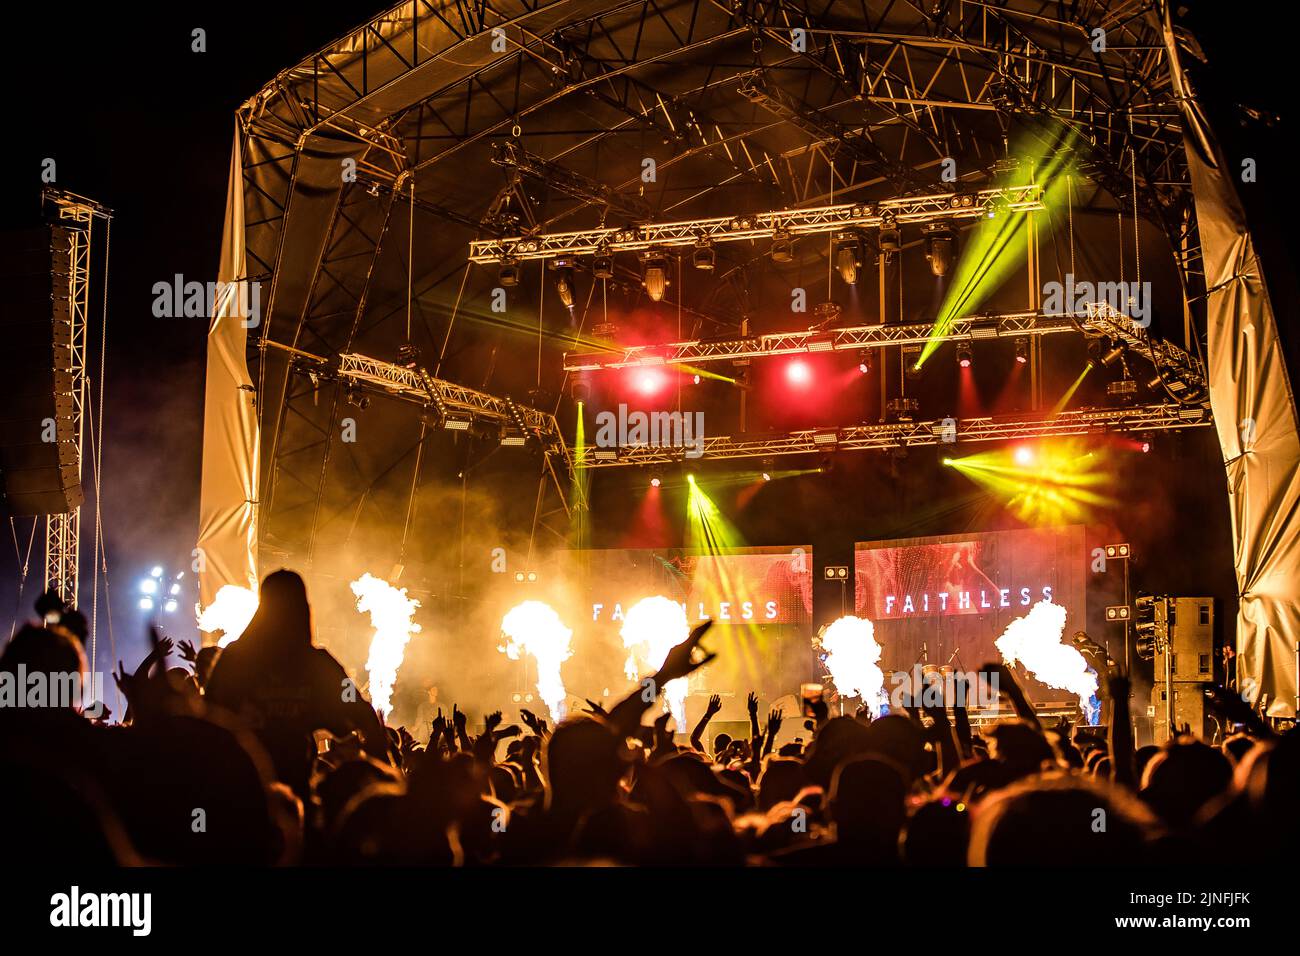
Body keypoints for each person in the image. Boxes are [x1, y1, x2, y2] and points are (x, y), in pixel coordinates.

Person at [204, 570, 391, 797]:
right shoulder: (317, 665)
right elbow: (362, 715)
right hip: (280, 795)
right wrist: (384, 771)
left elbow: (206, 719)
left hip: (240, 797)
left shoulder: (236, 659)